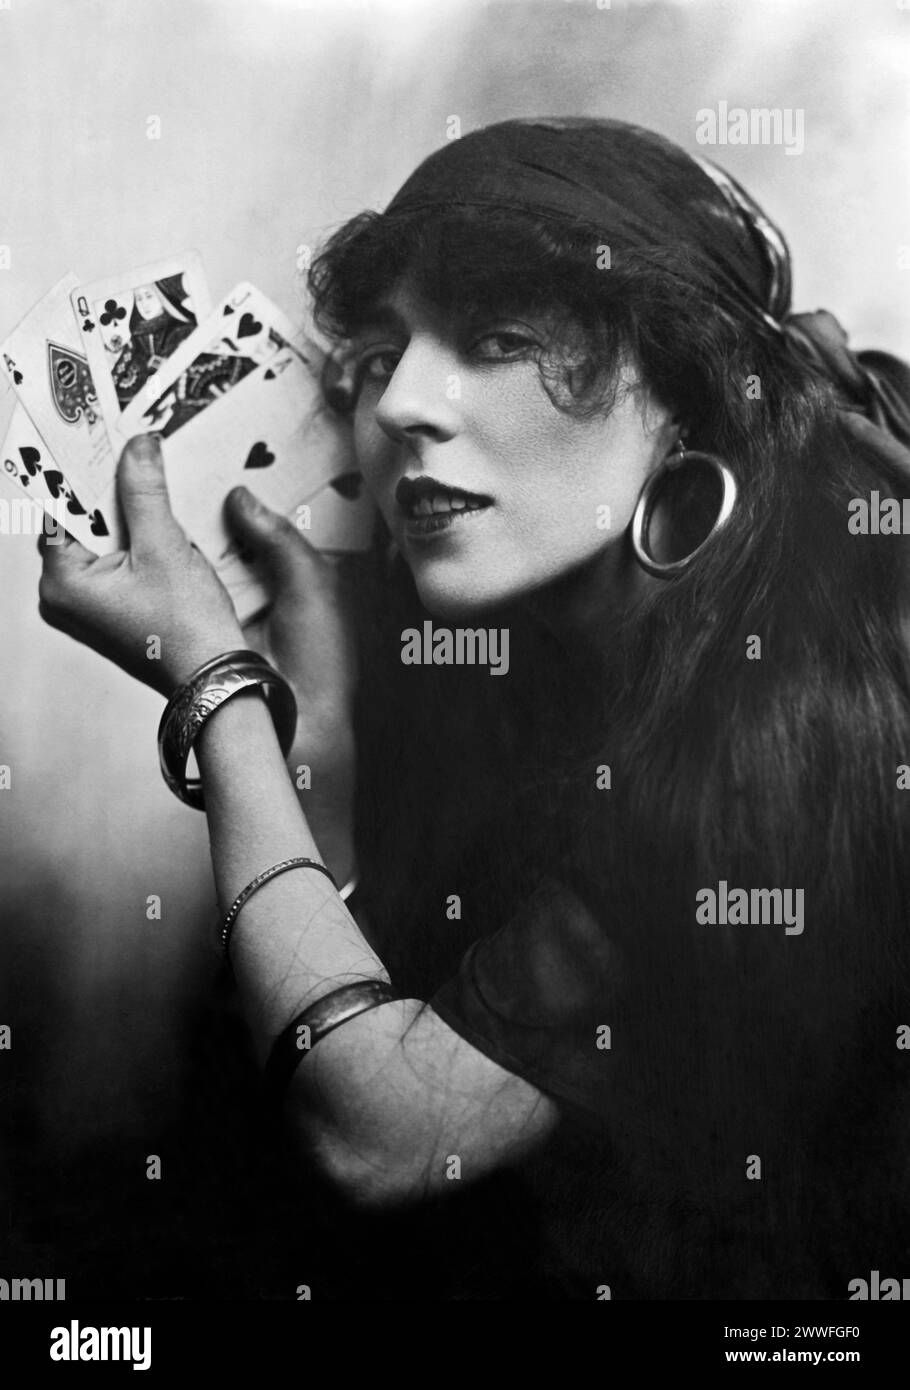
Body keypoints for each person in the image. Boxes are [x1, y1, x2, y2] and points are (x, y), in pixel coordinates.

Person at [37, 117, 910, 1299]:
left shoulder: (791, 695)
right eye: (385, 351)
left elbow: (386, 1131)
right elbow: (387, 1040)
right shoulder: (528, 652)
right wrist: (323, 749)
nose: (399, 404)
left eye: (496, 337)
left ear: (686, 389)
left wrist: (216, 689)